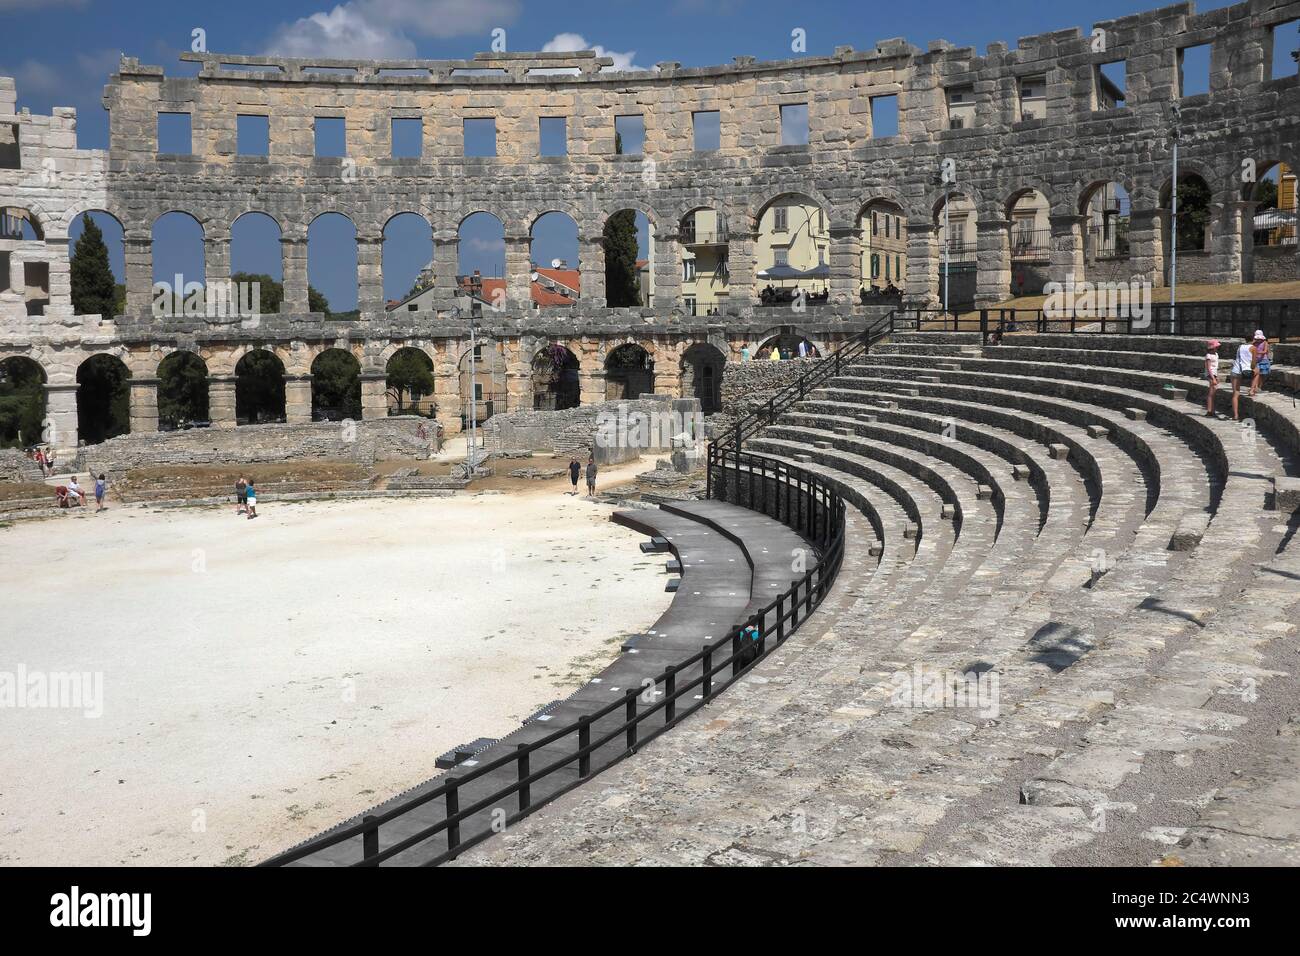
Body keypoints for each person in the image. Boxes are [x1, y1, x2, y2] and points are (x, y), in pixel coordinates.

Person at [1231, 333, 1254, 422]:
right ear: (1253, 340)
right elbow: (1254, 363)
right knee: (1257, 373)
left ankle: (1236, 415)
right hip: (1245, 370)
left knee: (1235, 393)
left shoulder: (1240, 347)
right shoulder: (1253, 348)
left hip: (1235, 371)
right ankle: (1253, 389)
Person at [1251, 330, 1270, 397]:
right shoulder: (1255, 343)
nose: (1258, 340)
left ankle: (1259, 387)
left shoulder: (1265, 343)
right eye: (1257, 339)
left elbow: (1265, 351)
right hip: (1256, 360)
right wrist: (1253, 343)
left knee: (1261, 375)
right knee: (1256, 374)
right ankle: (1255, 387)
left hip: (1263, 360)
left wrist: (1257, 352)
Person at [1205, 339, 1221, 417]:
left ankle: (1212, 410)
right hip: (1210, 374)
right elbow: (1208, 368)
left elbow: (1216, 367)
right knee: (1211, 393)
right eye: (1216, 347)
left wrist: (1216, 376)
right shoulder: (1208, 356)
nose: (1217, 348)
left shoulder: (1216, 354)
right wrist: (1213, 378)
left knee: (1214, 393)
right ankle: (1209, 411)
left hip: (1214, 374)